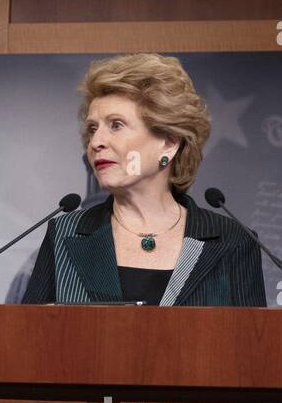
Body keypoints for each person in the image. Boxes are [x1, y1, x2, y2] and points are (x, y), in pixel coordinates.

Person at [21, 53, 267, 307]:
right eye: (93, 129)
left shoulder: (232, 241)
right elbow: (27, 338)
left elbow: (251, 343)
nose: (95, 142)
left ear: (169, 143)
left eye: (116, 125)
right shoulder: (63, 235)